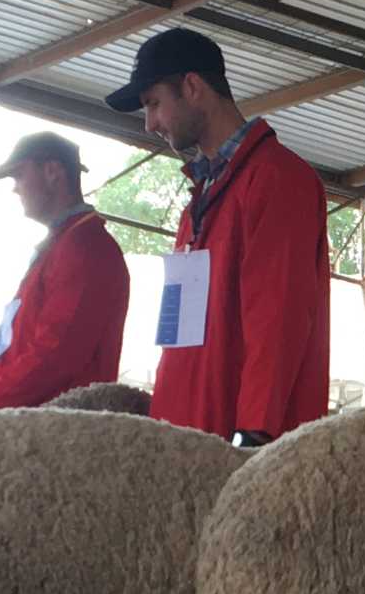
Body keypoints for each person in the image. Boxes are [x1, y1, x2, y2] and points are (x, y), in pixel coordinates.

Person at [109, 26, 329, 445]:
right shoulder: (202, 195)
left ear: (192, 87)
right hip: (188, 432)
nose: (150, 123)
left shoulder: (277, 179)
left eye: (154, 103)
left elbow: (277, 315)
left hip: (232, 443)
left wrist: (254, 432)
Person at [0, 131, 130, 411]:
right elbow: (12, 350)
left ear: (52, 171)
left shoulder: (85, 247)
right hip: (28, 420)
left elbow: (57, 355)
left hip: (51, 431)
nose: (15, 188)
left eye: (18, 175)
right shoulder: (62, 244)